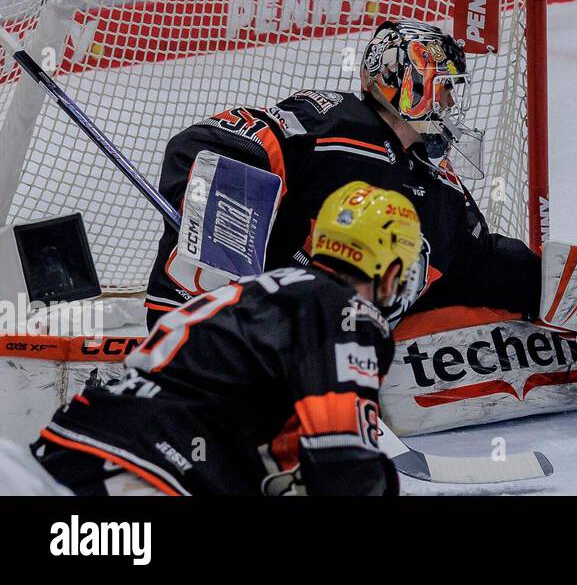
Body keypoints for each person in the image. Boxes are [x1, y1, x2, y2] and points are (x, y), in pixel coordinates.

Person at [144, 19, 540, 328]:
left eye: (453, 89)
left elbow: (480, 259)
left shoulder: (440, 184)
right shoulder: (338, 124)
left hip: (332, 343)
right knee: (225, 196)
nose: (451, 102)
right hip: (245, 332)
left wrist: (550, 280)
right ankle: (204, 345)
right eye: (443, 87)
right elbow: (215, 143)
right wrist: (222, 260)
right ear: (403, 84)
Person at [32, 182, 422, 495]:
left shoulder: (262, 287)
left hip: (72, 440)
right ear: (389, 271)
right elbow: (343, 464)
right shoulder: (350, 311)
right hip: (148, 469)